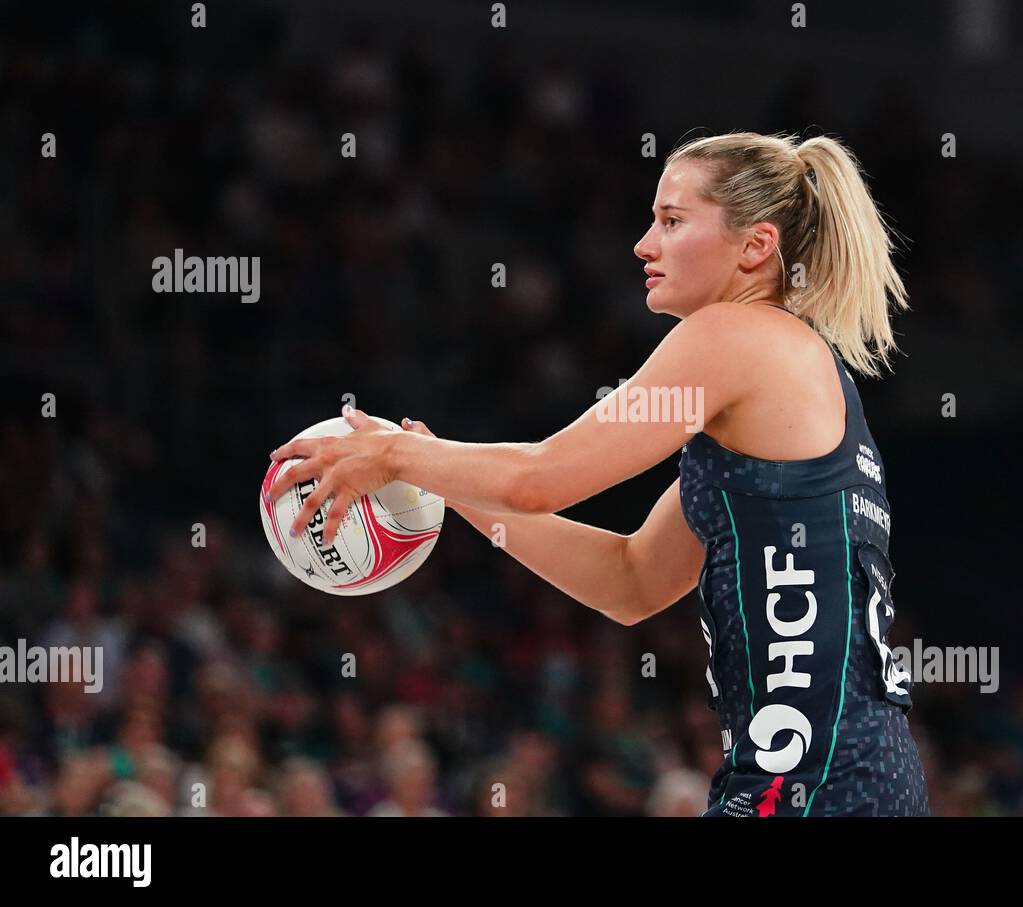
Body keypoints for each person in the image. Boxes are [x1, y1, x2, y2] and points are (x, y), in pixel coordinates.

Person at [269, 131, 930, 816]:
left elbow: (543, 475)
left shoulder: (736, 335)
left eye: (672, 220)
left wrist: (401, 457)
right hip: (850, 777)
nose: (645, 244)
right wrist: (445, 481)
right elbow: (631, 579)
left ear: (755, 246)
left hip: (813, 781)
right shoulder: (787, 373)